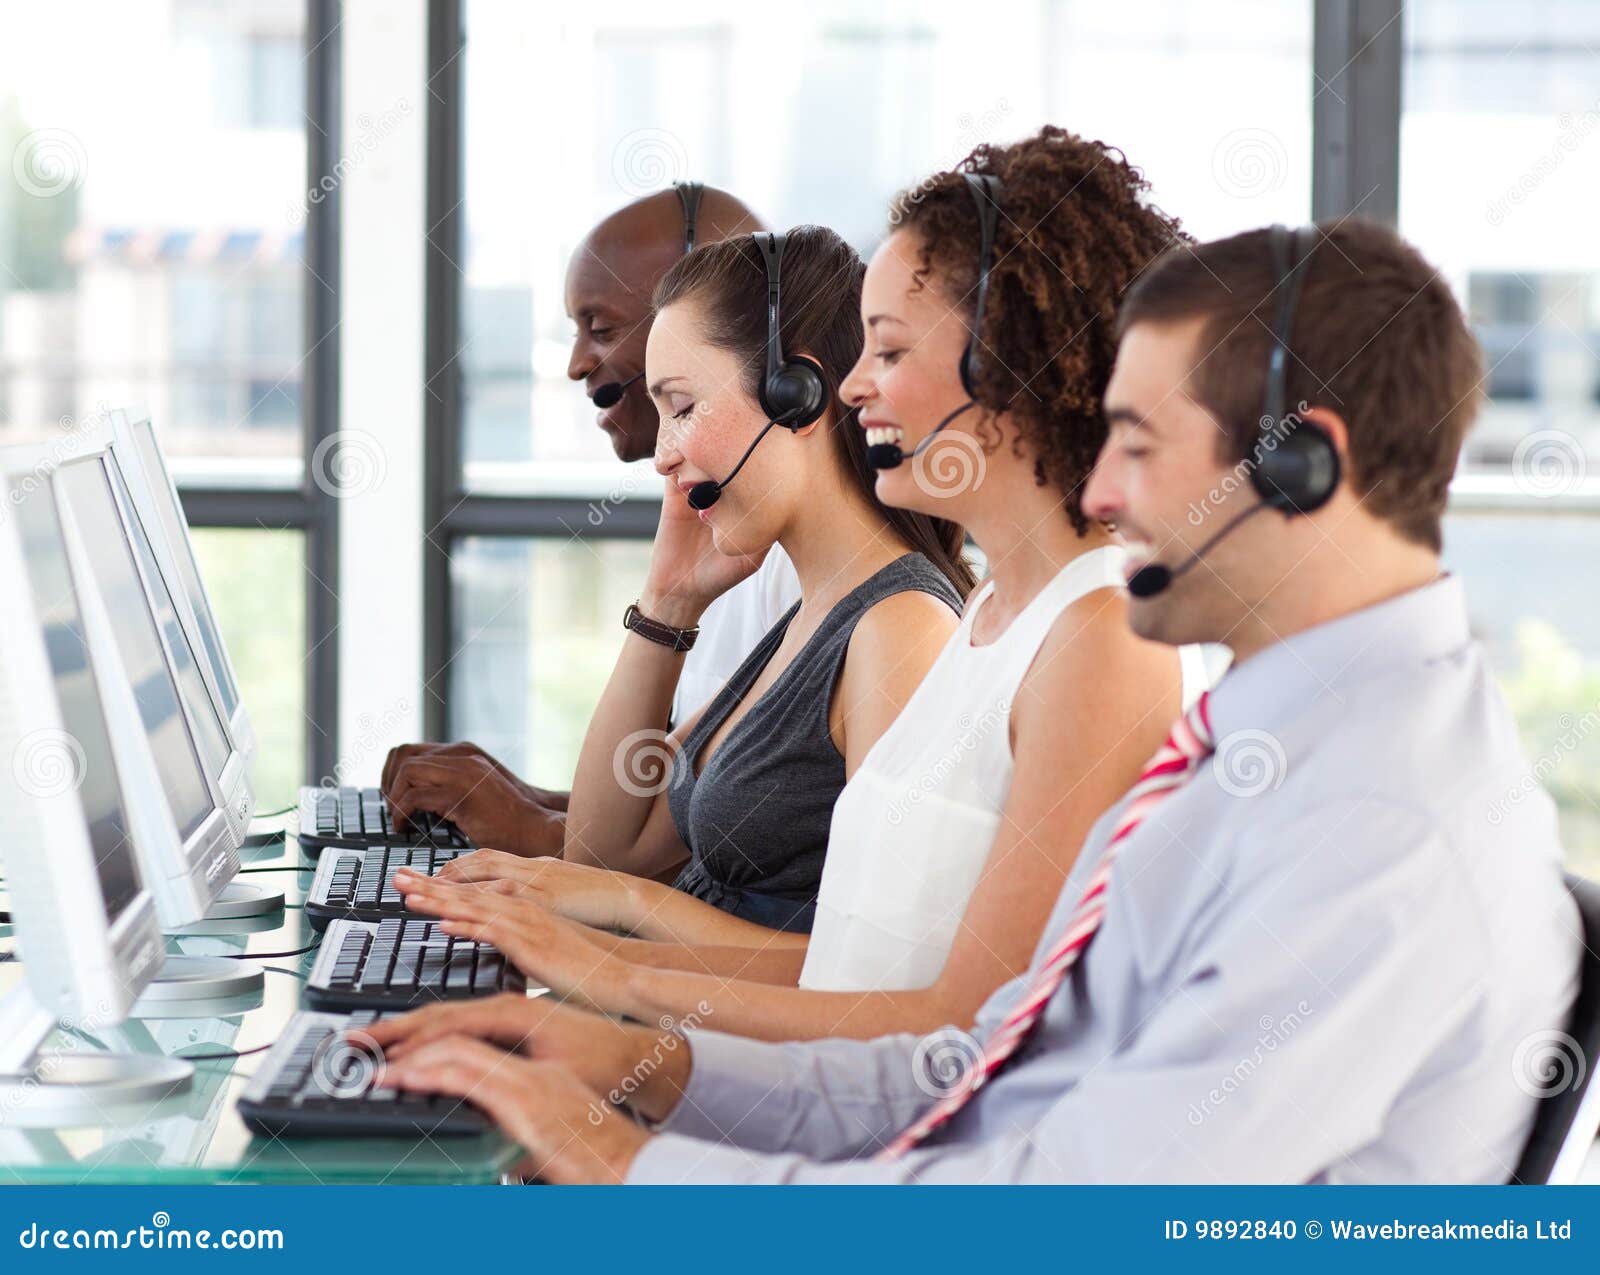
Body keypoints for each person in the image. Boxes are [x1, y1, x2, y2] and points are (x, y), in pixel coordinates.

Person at [366, 216, 1582, 1184]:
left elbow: (1079, 1201)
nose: (1099, 488)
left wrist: (635, 1163)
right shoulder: (1263, 751)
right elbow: (973, 1060)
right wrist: (638, 1064)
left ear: (1300, 465)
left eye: (1138, 445)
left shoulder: (1377, 826)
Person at [397, 129, 1204, 1039]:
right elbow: (854, 958)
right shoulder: (990, 616)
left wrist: (610, 970)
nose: (855, 386)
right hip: (787, 1102)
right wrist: (596, 940)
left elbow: (957, 1028)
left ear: (1004, 359)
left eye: (890, 353)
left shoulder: (1077, 632)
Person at [462, 223, 974, 935]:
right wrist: (668, 603)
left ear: (794, 394)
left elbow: (874, 973)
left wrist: (633, 909)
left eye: (682, 407)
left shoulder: (901, 627)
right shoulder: (806, 620)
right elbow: (601, 852)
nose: (664, 456)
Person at [381, 184, 798, 856]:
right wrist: (524, 799)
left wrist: (531, 832)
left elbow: (719, 859)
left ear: (725, 328)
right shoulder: (723, 535)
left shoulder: (795, 569)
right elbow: (696, 808)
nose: (578, 363)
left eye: (600, 328)